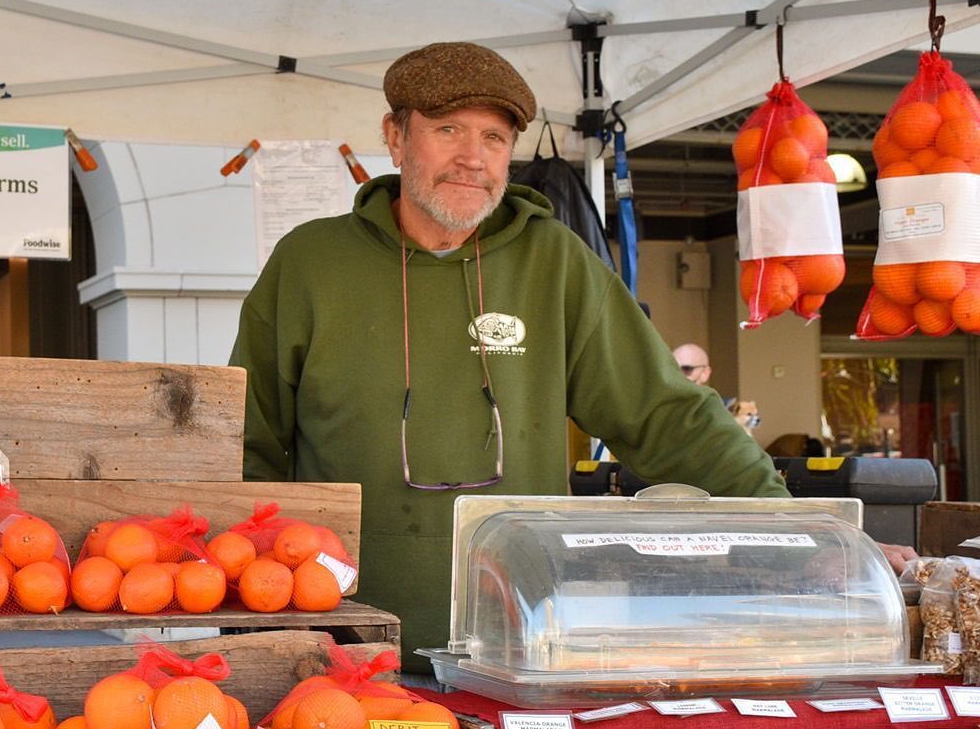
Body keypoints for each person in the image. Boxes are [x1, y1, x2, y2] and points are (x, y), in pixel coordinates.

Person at [230, 41, 796, 672]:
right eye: (448, 130)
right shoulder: (310, 263)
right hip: (337, 648)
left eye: (495, 138)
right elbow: (245, 444)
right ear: (395, 138)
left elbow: (666, 415)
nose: (473, 158)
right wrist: (255, 616)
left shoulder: (555, 263)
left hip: (516, 644)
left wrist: (800, 529)